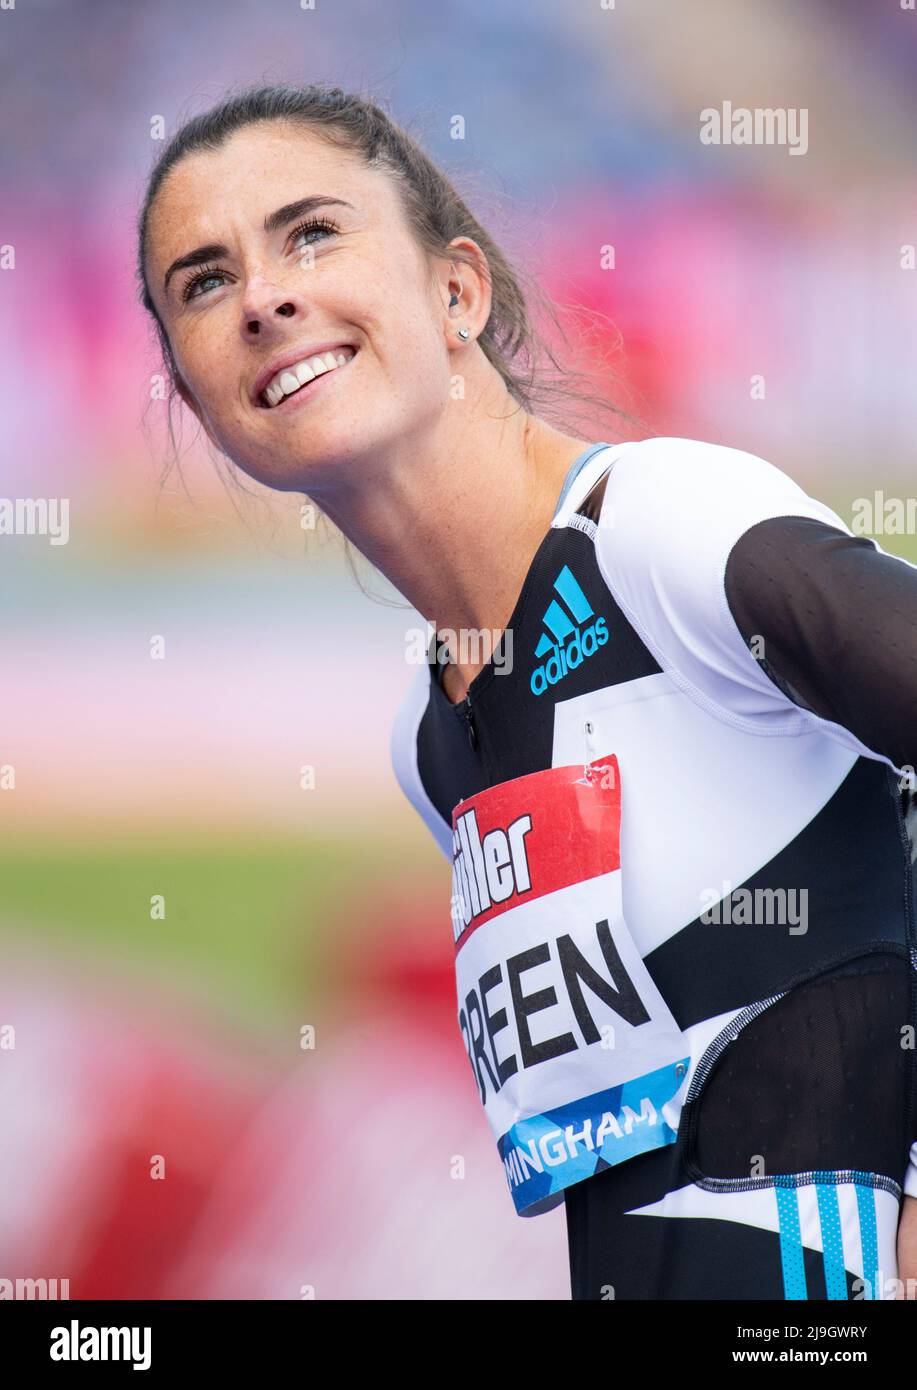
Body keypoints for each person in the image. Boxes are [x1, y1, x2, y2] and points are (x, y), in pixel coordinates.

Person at [136, 82, 917, 1301]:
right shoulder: (429, 744)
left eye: (312, 233)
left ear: (457, 290)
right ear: (193, 397)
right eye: (202, 279)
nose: (264, 296)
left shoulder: (661, 529)